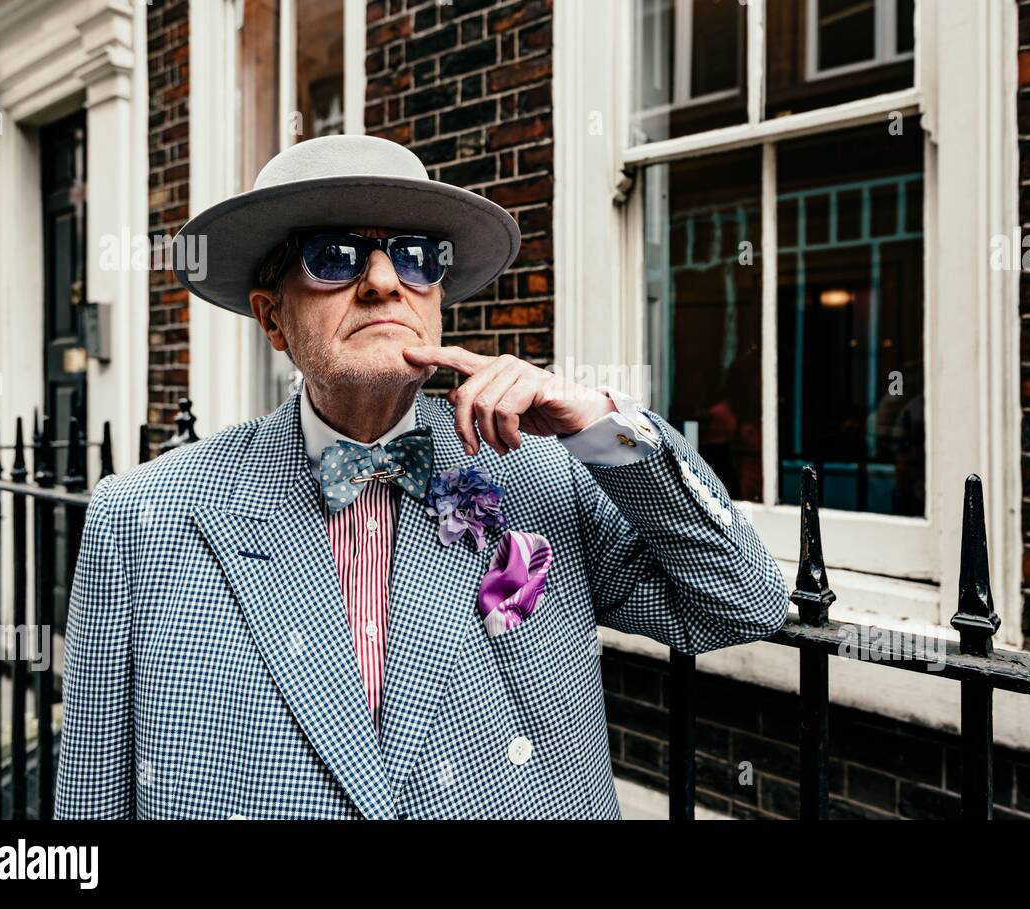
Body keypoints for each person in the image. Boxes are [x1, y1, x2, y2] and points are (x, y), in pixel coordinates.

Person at [54, 134, 790, 819]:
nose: (382, 282)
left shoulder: (551, 475)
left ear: (435, 299)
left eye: (415, 256)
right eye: (334, 256)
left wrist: (600, 424)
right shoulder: (141, 515)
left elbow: (741, 605)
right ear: (272, 319)